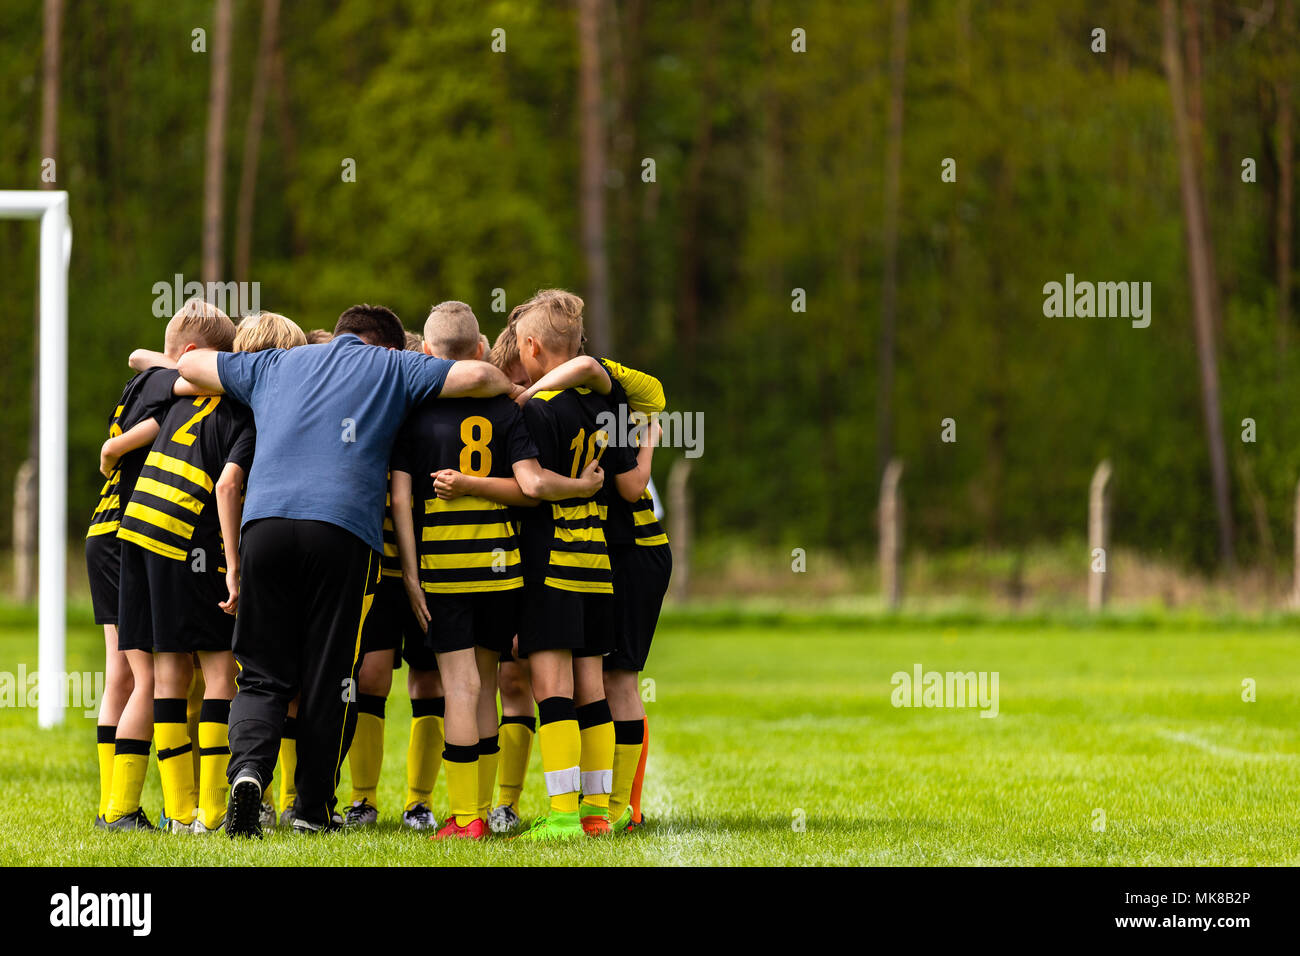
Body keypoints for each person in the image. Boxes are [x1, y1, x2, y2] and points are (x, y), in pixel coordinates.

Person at [176, 303, 517, 837]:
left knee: (261, 672)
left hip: (263, 526)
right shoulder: (393, 367)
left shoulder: (275, 364)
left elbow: (193, 367)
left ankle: (245, 774)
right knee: (330, 676)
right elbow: (476, 373)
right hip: (341, 532)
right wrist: (512, 389)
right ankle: (312, 810)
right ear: (384, 343)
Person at [391, 300, 602, 839]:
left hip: (446, 571)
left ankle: (466, 817)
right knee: (486, 686)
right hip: (502, 572)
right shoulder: (509, 411)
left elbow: (399, 499)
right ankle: (488, 809)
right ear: (482, 351)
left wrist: (411, 577)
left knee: (458, 688)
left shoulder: (413, 415)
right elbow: (529, 492)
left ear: (426, 354)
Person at [101, 300, 240, 830]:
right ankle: (209, 810)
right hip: (185, 537)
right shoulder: (230, 404)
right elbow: (229, 484)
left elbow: (144, 359)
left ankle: (133, 809)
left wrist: (111, 447)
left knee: (161, 676)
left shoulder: (155, 386)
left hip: (130, 531)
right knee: (218, 667)